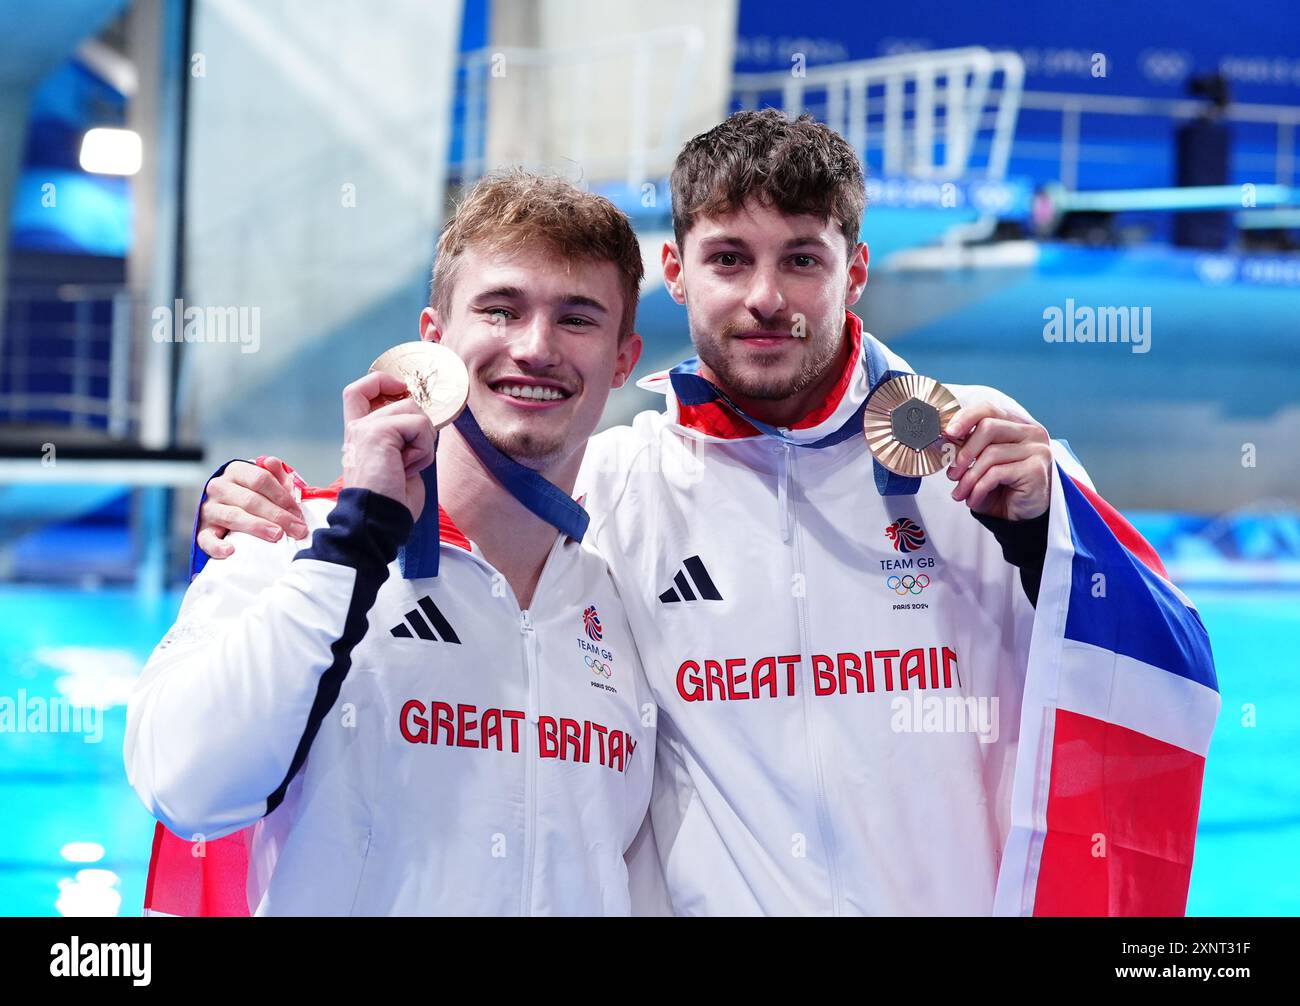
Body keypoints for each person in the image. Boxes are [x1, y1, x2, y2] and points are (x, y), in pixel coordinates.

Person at [195, 111, 1219, 916]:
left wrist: (1049, 531)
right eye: (729, 258)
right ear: (677, 275)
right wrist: (267, 508)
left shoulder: (984, 464)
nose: (765, 296)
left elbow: (1165, 667)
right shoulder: (610, 486)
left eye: (803, 259)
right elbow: (456, 512)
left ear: (853, 271)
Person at [125, 171, 661, 915]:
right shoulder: (289, 540)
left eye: (578, 319)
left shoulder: (622, 603)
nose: (536, 347)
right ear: (433, 341)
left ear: (624, 358)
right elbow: (185, 784)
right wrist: (354, 544)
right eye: (500, 310)